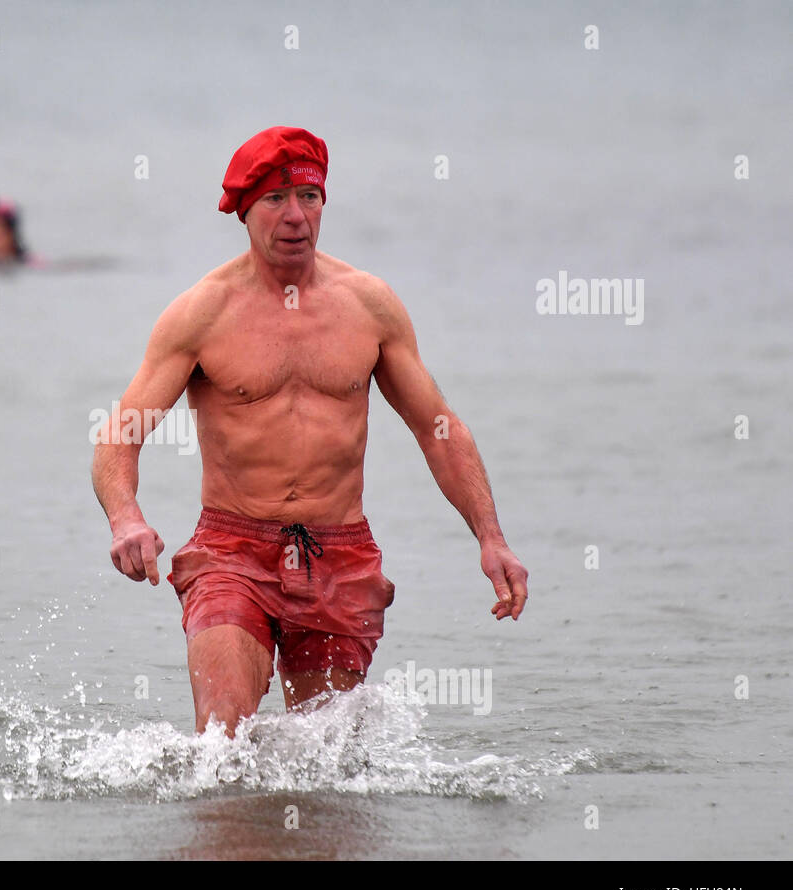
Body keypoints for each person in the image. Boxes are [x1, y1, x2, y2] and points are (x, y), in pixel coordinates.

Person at [91, 126, 529, 736]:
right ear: (244, 211)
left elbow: (438, 430)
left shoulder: (368, 306)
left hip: (338, 554)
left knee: (327, 769)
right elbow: (122, 430)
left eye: (309, 197)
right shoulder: (203, 312)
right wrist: (126, 518)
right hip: (232, 553)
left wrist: (491, 537)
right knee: (222, 749)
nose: (295, 216)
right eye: (275, 199)